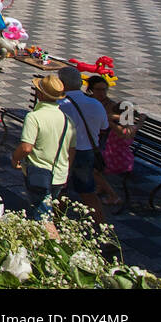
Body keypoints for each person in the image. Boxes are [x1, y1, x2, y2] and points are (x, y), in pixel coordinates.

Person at [12, 75, 75, 235]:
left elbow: (26, 147)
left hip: (39, 173)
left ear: (40, 94)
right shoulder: (67, 120)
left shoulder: (34, 117)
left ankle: (55, 247)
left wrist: (15, 158)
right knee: (41, 212)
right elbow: (72, 150)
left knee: (43, 217)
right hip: (59, 175)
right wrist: (66, 169)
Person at [57, 67, 110, 224]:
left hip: (65, 152)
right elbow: (104, 127)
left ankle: (57, 224)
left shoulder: (60, 105)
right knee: (88, 192)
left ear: (62, 83)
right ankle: (102, 227)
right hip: (87, 152)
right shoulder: (96, 104)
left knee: (60, 190)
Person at [86, 74, 133, 209]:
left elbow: (127, 120)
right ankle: (101, 187)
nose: (102, 93)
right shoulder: (88, 101)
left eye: (104, 89)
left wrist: (110, 117)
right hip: (96, 139)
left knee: (91, 166)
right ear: (91, 90)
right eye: (98, 89)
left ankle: (112, 194)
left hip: (105, 142)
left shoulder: (110, 105)